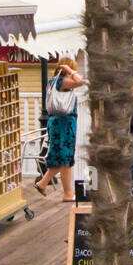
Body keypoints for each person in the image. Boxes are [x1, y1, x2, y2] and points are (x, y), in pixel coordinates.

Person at [37, 57, 86, 200]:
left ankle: (48, 184)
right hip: (63, 122)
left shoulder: (55, 82)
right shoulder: (61, 82)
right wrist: (70, 71)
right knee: (64, 157)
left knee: (64, 158)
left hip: (62, 122)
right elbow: (81, 81)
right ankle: (65, 192)